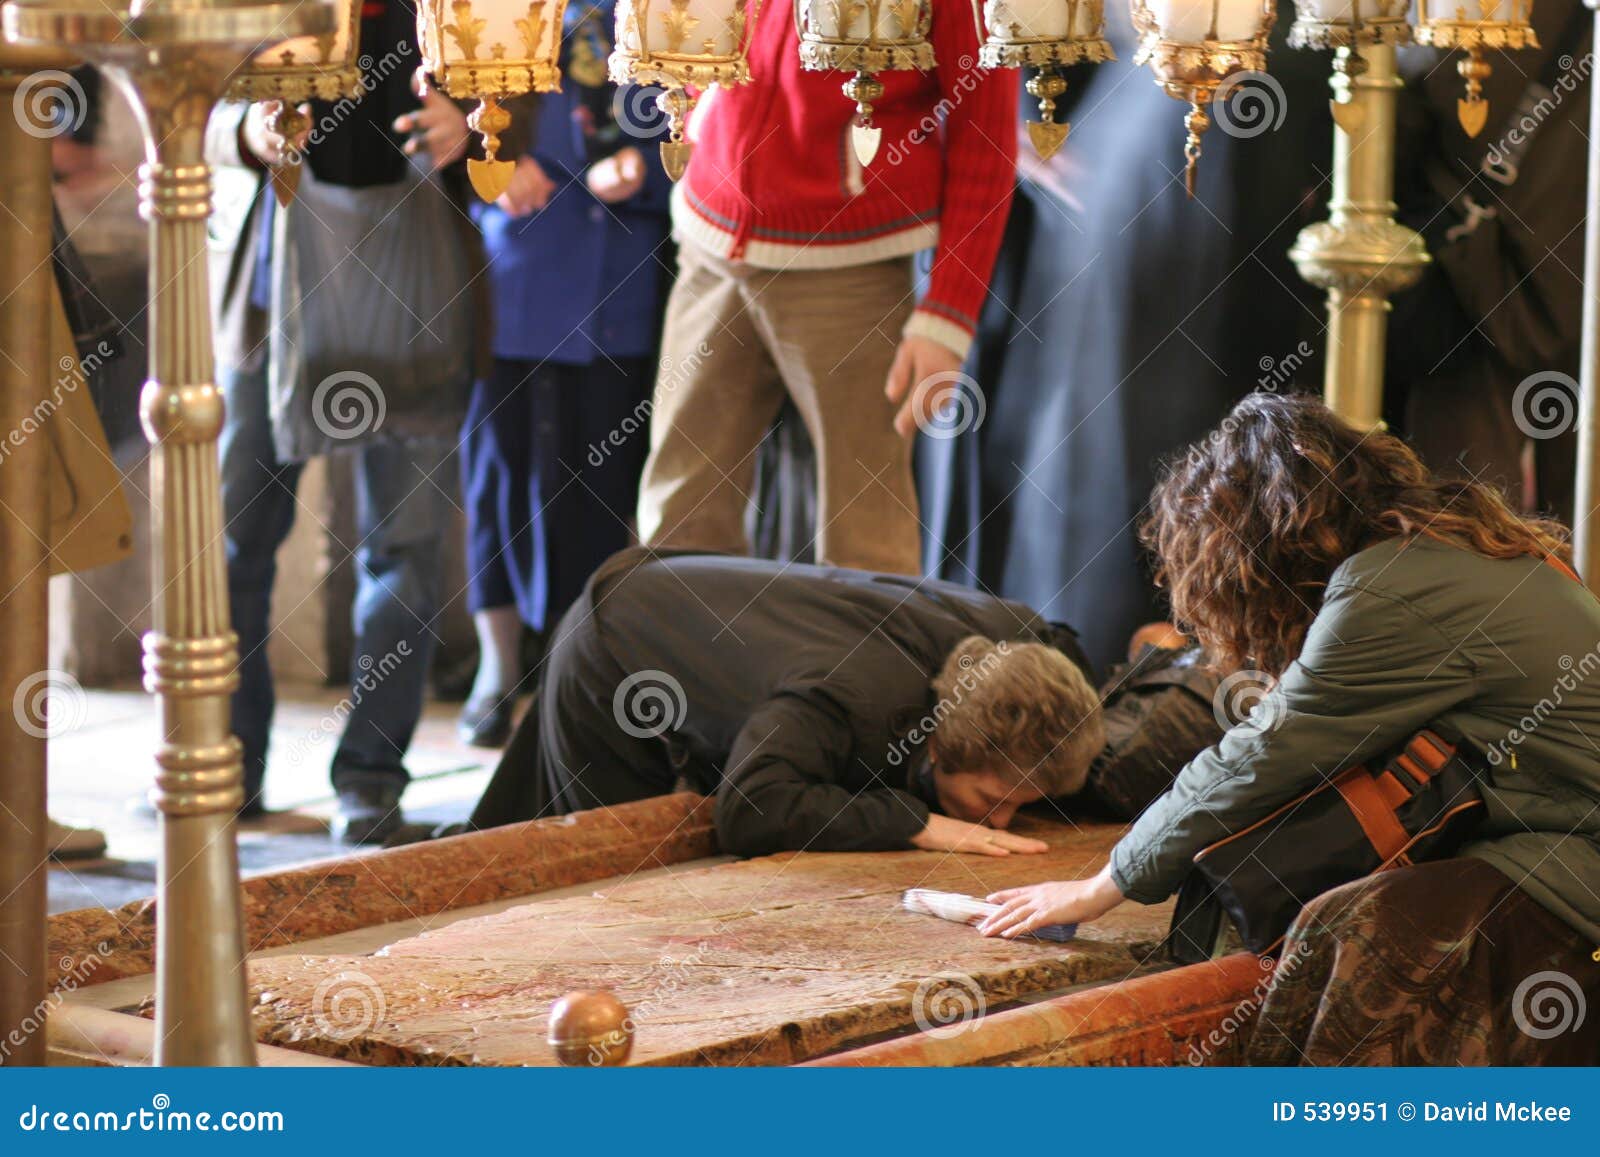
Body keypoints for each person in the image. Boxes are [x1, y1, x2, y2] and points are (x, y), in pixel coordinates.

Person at [978, 393, 1600, 1065]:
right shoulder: (1450, 541)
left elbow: (1259, 755)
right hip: (1555, 835)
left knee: (1348, 932)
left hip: (1575, 862)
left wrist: (1104, 882)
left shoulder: (1388, 586)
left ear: (1260, 541)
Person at [206, 0, 477, 843]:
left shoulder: (453, 11)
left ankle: (369, 780)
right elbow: (185, 108)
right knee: (235, 542)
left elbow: (522, 103)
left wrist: (469, 128)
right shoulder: (259, 9)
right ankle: (224, 767)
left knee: (405, 546)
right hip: (272, 300)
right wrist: (247, 137)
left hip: (417, 291)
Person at [634, 0, 1019, 576]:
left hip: (851, 273)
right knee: (674, 525)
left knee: (867, 542)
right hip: (707, 242)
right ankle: (672, 665)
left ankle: (872, 670)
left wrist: (948, 313)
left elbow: (985, 131)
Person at [472, 547, 1106, 857]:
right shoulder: (849, 700)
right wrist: (912, 820)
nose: (1000, 822)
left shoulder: (1023, 645)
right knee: (613, 865)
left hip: (704, 595)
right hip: (617, 647)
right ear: (942, 744)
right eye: (992, 802)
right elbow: (750, 809)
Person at [457, 0, 672, 748]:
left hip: (621, 290)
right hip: (519, 276)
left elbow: (715, 130)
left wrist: (650, 172)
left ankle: (575, 673)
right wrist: (491, 162)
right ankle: (497, 665)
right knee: (499, 480)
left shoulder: (667, 14)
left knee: (603, 487)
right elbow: (442, 104)